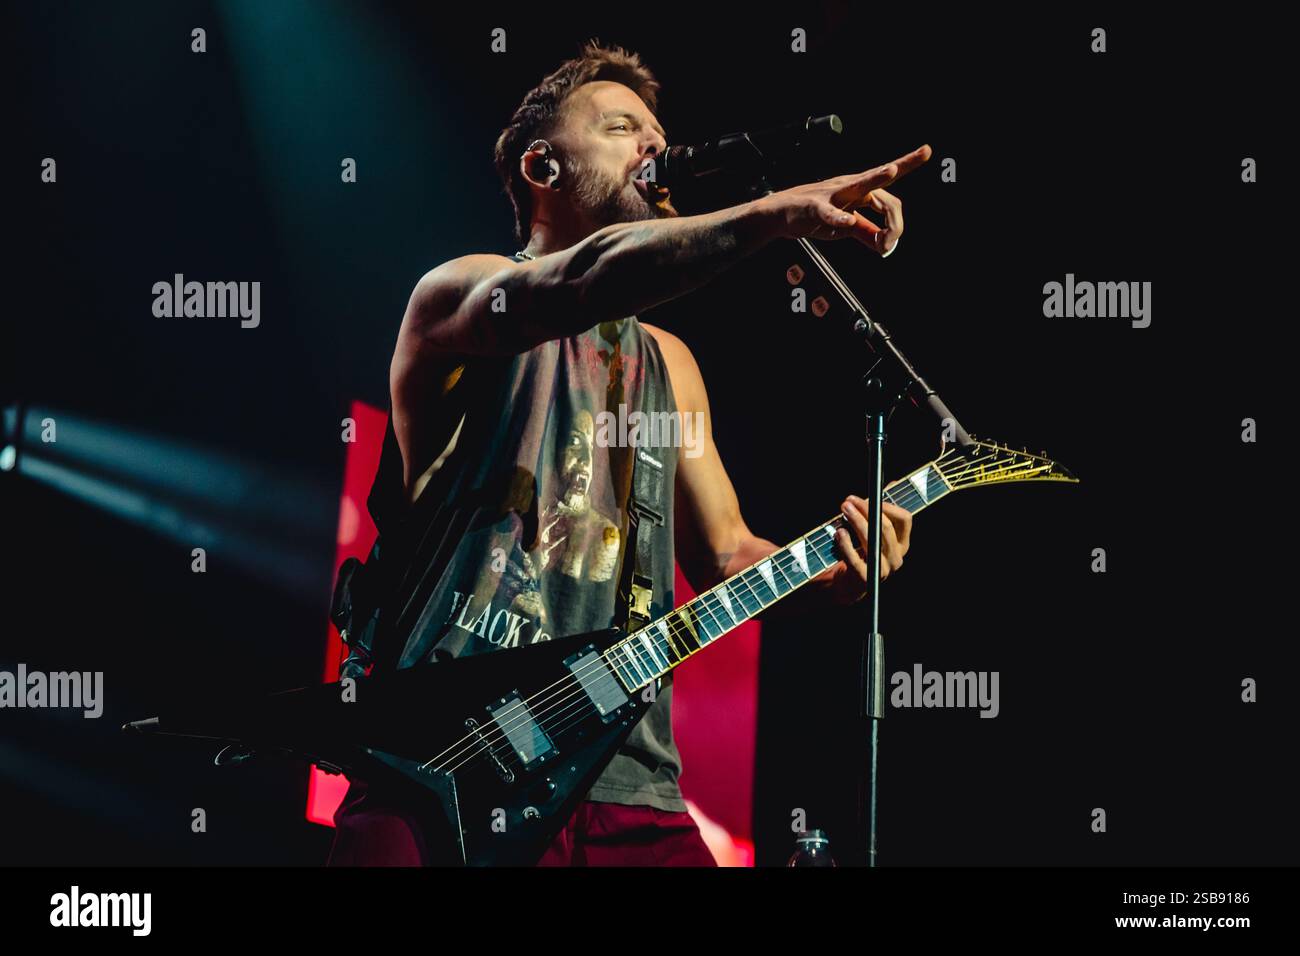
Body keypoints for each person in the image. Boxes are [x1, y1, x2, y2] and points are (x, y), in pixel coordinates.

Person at [327, 39, 926, 867]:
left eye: (658, 132)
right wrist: (773, 213)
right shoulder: (459, 294)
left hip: (625, 777)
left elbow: (725, 552)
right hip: (438, 768)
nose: (654, 147)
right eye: (621, 128)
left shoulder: (671, 367)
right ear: (544, 167)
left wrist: (833, 565)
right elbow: (578, 285)